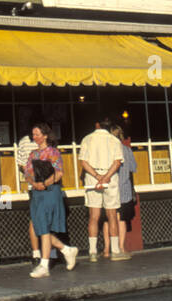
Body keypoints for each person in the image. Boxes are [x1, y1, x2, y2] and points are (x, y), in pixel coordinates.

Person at [25, 122, 77, 277]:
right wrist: (34, 183)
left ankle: (44, 265)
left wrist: (44, 184)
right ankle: (67, 249)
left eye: (37, 134)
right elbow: (27, 173)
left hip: (50, 192)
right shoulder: (33, 154)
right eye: (33, 135)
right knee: (38, 225)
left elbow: (59, 173)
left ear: (45, 135)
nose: (34, 137)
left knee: (44, 227)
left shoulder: (53, 152)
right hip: (37, 193)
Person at [79, 116, 128, 260]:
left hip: (92, 178)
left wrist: (96, 175)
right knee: (112, 215)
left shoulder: (87, 139)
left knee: (94, 216)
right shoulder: (114, 140)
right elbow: (117, 162)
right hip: (110, 178)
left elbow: (83, 161)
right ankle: (115, 251)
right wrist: (106, 177)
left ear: (97, 124)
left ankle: (93, 252)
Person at [112, 123, 138, 257]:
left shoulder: (107, 151)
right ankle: (121, 247)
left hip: (110, 188)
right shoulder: (126, 150)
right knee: (121, 220)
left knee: (110, 219)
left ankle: (110, 248)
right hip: (124, 189)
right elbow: (133, 168)